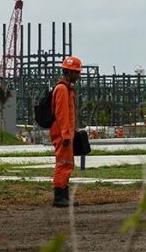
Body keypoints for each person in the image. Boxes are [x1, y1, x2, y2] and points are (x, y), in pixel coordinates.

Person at [51, 55, 82, 208]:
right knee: (63, 163)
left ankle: (63, 195)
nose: (79, 75)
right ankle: (59, 196)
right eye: (76, 72)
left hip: (66, 132)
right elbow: (61, 114)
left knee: (67, 164)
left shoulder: (68, 89)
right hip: (62, 133)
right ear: (69, 73)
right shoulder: (62, 89)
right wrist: (65, 134)